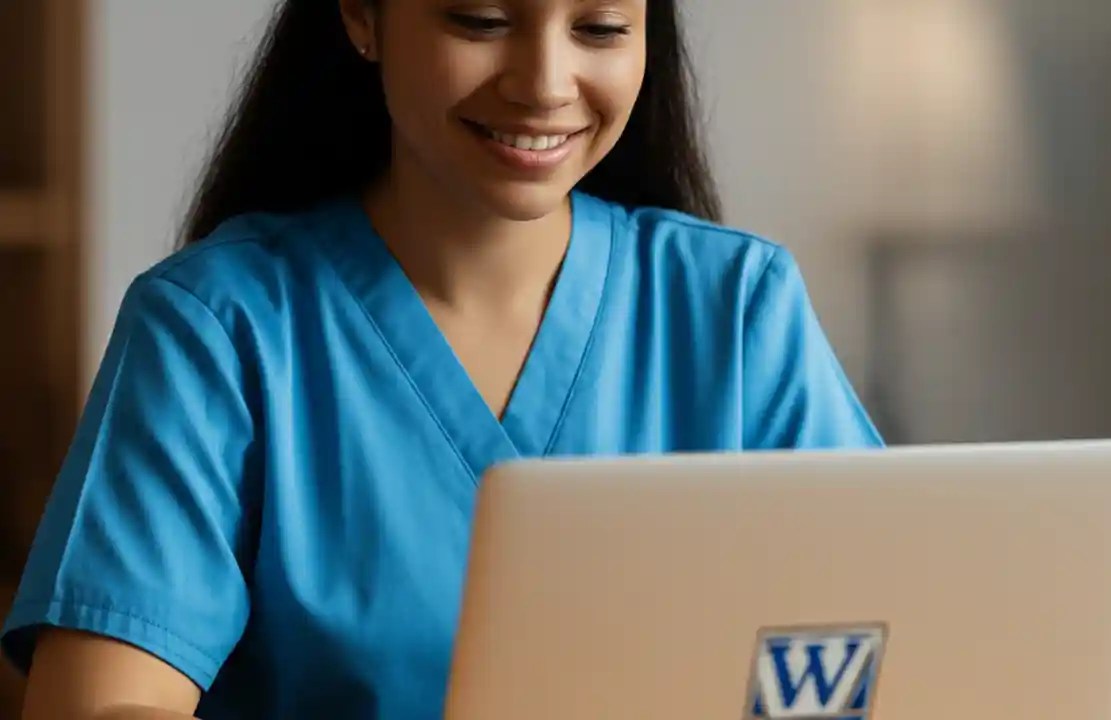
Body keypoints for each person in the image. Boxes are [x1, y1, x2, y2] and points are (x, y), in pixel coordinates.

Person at [2, 0, 883, 717]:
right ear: (363, 17)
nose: (545, 84)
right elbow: (101, 704)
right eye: (481, 20)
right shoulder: (216, 328)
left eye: (601, 29)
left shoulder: (736, 307)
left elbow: (889, 644)